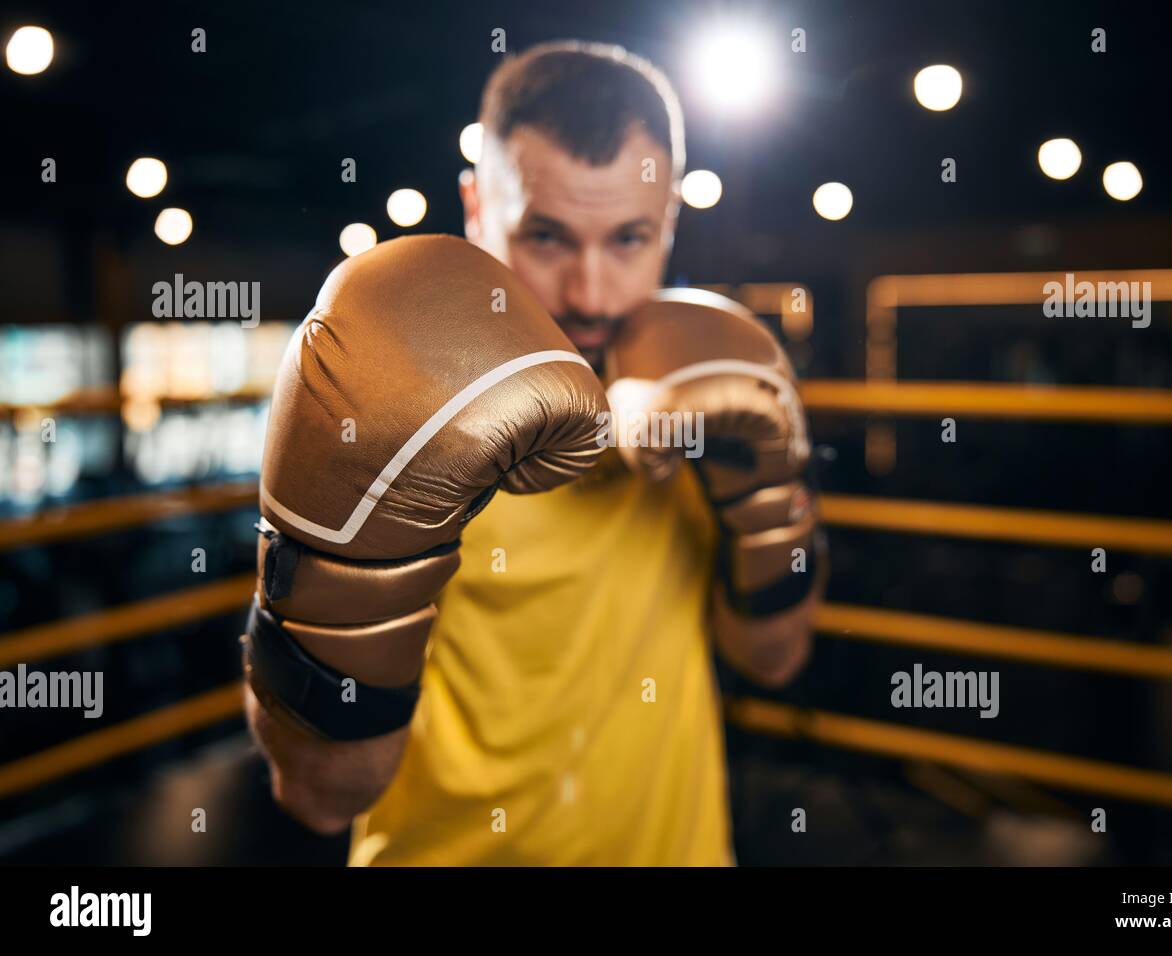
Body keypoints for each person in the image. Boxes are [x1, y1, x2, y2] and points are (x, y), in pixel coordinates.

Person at [241, 40, 825, 866]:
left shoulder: (707, 384)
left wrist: (766, 502)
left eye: (629, 238)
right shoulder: (391, 391)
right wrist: (341, 580)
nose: (591, 292)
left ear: (670, 222)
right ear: (477, 206)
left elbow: (775, 658)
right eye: (546, 236)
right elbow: (318, 794)